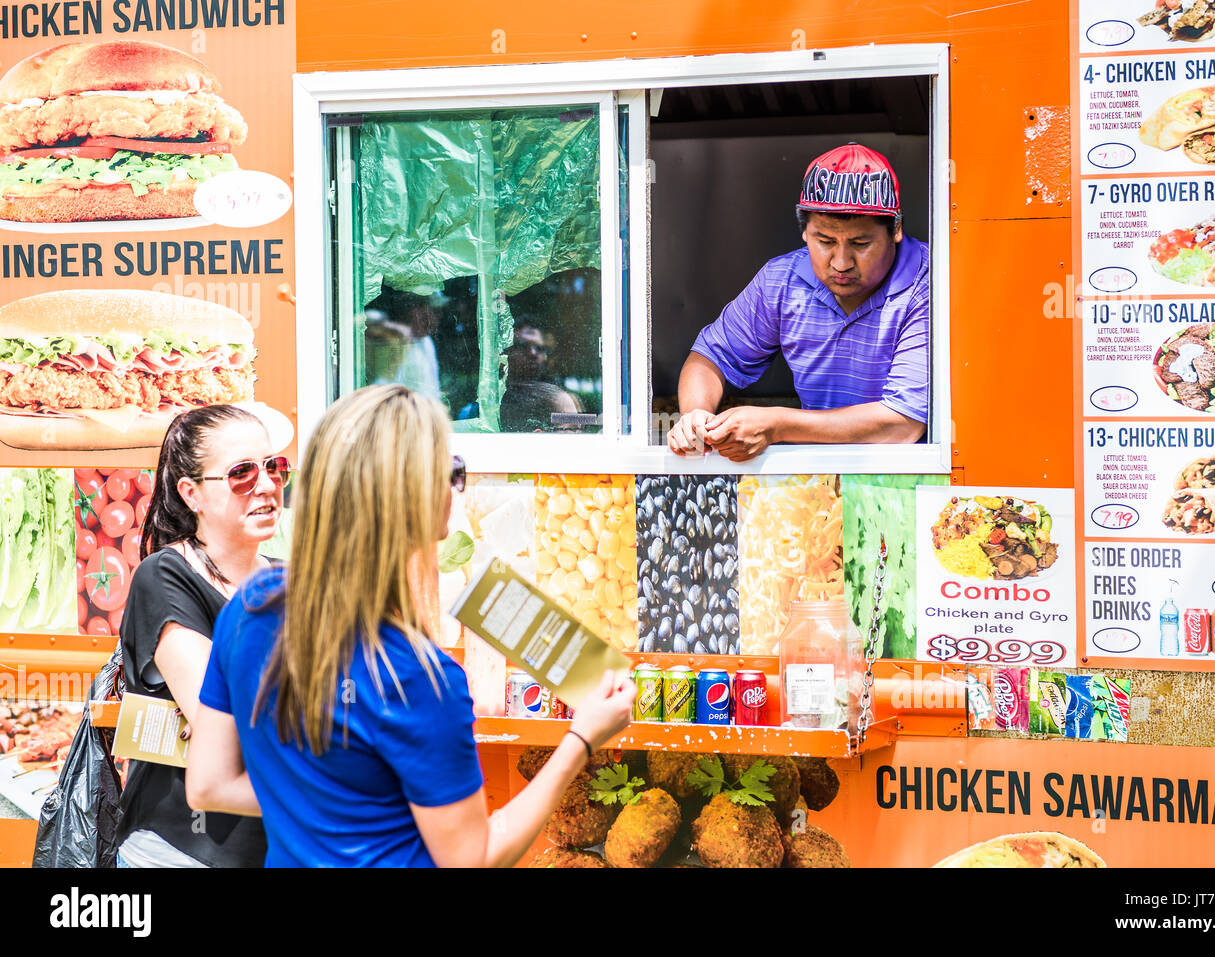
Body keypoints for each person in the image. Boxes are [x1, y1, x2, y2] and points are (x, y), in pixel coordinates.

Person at [186, 385, 634, 867]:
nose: (455, 488)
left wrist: (341, 796)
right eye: (451, 472)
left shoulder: (251, 607)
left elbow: (208, 785)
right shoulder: (417, 676)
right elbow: (472, 858)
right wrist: (581, 740)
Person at [667, 143, 930, 462]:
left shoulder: (927, 284)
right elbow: (711, 357)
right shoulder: (782, 281)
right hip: (813, 477)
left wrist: (777, 426)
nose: (841, 262)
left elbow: (902, 424)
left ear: (896, 230)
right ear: (804, 231)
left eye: (861, 243)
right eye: (825, 241)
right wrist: (696, 417)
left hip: (907, 476)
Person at [116, 405, 286, 867]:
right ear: (191, 493)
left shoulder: (294, 579)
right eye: (241, 473)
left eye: (274, 466)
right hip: (183, 852)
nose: (266, 485)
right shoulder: (165, 576)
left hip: (279, 846)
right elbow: (228, 721)